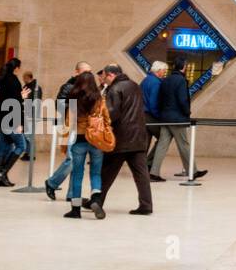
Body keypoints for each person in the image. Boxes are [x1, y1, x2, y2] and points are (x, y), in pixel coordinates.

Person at [95, 64, 154, 215]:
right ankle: (146, 205)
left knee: (107, 172)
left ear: (110, 75)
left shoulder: (114, 89)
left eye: (104, 77)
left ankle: (97, 201)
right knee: (141, 174)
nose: (103, 80)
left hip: (121, 138)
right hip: (139, 136)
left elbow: (111, 114)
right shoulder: (135, 85)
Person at [150, 60, 207, 181]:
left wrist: (162, 114)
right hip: (177, 118)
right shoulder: (180, 80)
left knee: (162, 145)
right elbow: (183, 100)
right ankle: (193, 171)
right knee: (184, 145)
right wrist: (187, 113)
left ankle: (153, 172)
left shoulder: (165, 80)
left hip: (165, 118)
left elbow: (160, 99)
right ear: (184, 67)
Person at [61, 71, 107, 220]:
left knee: (77, 175)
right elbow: (106, 117)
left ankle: (75, 210)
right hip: (96, 140)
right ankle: (95, 198)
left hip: (79, 141)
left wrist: (64, 143)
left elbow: (68, 123)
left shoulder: (74, 98)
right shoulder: (99, 98)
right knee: (95, 173)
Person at [44, 61, 91, 200]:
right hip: (70, 126)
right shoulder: (68, 86)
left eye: (90, 72)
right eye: (85, 72)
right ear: (76, 72)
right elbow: (60, 105)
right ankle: (52, 183)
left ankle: (72, 194)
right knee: (72, 159)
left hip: (82, 127)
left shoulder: (88, 88)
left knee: (78, 161)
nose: (88, 75)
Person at [0, 58, 29, 187]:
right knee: (21, 145)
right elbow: (14, 103)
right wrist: (19, 122)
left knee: (2, 147)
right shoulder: (14, 81)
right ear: (16, 68)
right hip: (10, 120)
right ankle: (2, 173)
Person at [140, 62, 166, 164]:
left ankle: (141, 165)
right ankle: (149, 162)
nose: (164, 73)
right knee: (164, 138)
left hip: (142, 115)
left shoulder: (145, 80)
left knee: (145, 142)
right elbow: (153, 103)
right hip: (151, 115)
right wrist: (159, 116)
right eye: (164, 71)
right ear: (158, 71)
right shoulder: (156, 83)